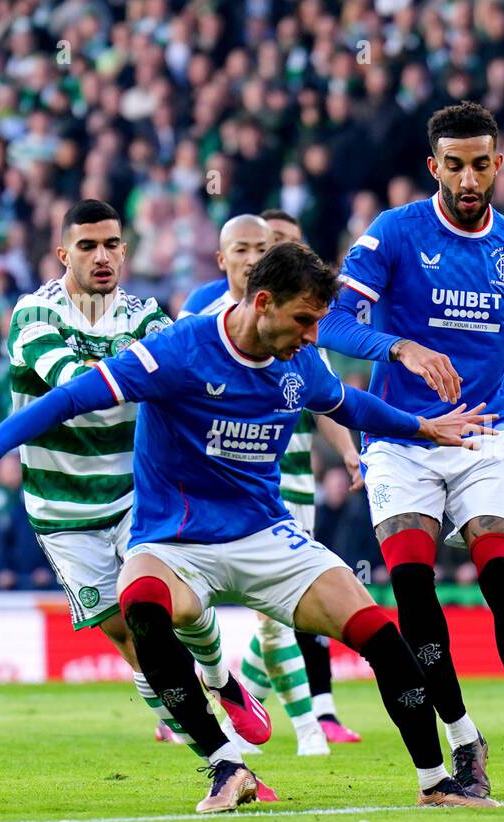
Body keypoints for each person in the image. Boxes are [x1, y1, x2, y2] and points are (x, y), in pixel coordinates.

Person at [0, 242, 500, 813]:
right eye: (303, 321)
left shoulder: (299, 360)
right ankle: (226, 764)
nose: (311, 336)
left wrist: (423, 428)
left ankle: (434, 780)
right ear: (263, 301)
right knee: (140, 603)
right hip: (176, 541)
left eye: (318, 323)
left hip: (264, 534)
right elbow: (70, 398)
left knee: (378, 630)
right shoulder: (178, 350)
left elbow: (347, 404)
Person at [317, 101, 504, 797]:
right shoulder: (394, 233)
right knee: (412, 586)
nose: (468, 177)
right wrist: (399, 345)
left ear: (498, 166)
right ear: (434, 166)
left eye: (481, 164)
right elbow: (331, 321)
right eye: (454, 164)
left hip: (486, 434)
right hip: (400, 437)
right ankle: (463, 740)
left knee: (498, 569)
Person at [5, 198, 266, 771]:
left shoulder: (147, 316)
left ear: (125, 249)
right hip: (61, 508)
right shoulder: (34, 316)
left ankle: (223, 682)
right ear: (62, 254)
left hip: (135, 494)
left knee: (176, 603)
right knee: (131, 639)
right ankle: (224, 761)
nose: (102, 257)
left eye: (112, 245)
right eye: (88, 246)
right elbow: (77, 387)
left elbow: (181, 379)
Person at [180, 210, 364, 754]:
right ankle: (304, 726)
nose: (254, 257)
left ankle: (252, 710)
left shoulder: (297, 315)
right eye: (244, 248)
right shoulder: (199, 314)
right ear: (223, 257)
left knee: (274, 616)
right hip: (224, 484)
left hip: (293, 474)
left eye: (265, 247)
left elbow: (326, 394)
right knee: (269, 617)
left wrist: (350, 452)